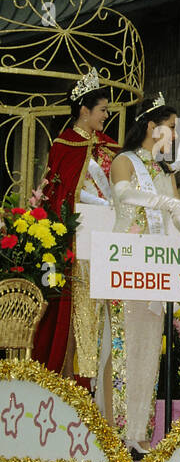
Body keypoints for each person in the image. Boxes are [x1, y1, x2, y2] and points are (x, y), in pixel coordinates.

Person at [106, 95, 180, 455]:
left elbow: (177, 213)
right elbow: (122, 196)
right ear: (152, 126)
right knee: (123, 347)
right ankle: (113, 434)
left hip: (157, 271)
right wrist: (166, 203)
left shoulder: (164, 172)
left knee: (149, 350)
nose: (176, 135)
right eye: (172, 128)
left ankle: (138, 434)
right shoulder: (124, 161)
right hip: (127, 265)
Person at [32, 69, 119, 379]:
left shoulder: (111, 148)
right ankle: (76, 379)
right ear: (85, 110)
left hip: (106, 242)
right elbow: (55, 195)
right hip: (78, 243)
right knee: (77, 311)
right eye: (103, 109)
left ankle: (102, 385)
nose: (107, 115)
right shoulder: (63, 146)